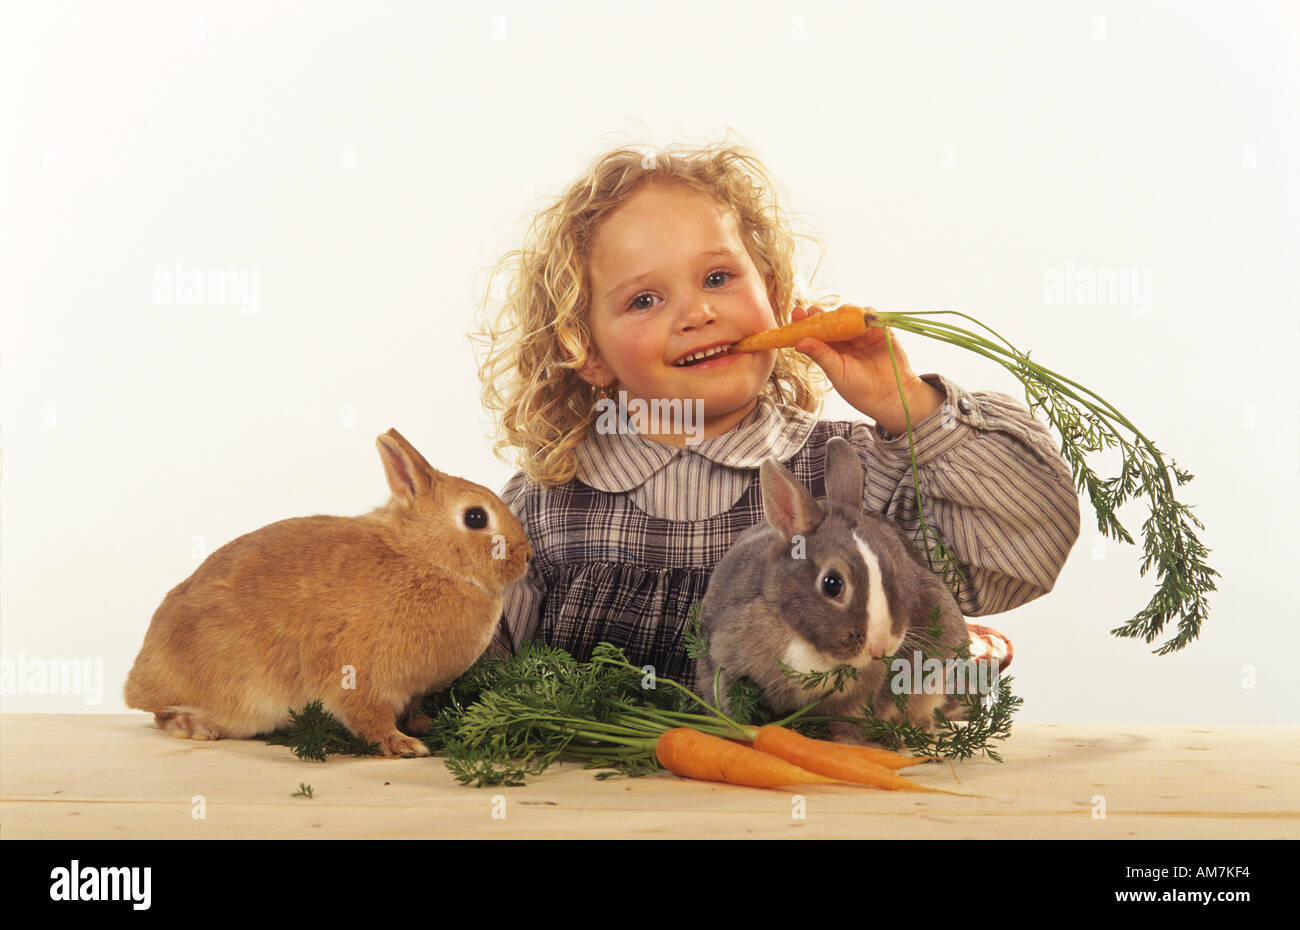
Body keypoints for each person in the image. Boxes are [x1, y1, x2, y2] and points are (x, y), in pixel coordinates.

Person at [472, 139, 1080, 693]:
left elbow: (1024, 548)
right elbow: (472, 672)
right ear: (585, 352)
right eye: (645, 300)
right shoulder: (543, 509)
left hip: (824, 806)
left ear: (772, 292)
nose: (698, 311)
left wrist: (908, 408)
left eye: (718, 277)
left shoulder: (856, 477)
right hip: (602, 806)